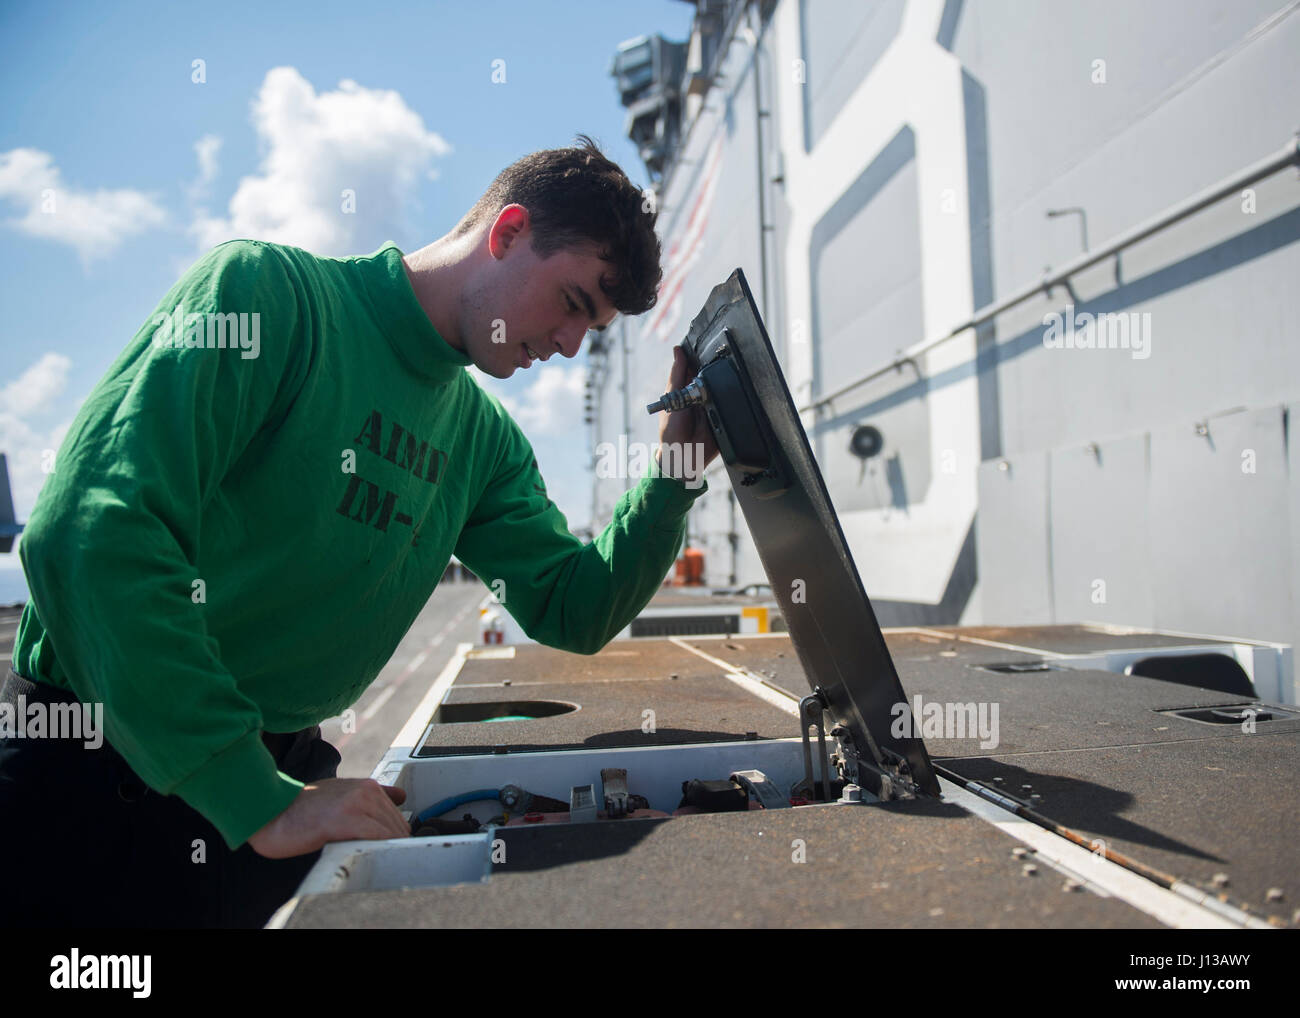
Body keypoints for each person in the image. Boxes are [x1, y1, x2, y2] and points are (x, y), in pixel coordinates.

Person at [0, 134, 718, 928]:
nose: (570, 344)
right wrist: (247, 792)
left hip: (284, 781)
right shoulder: (267, 298)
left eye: (594, 330)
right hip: (98, 768)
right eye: (574, 302)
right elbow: (87, 531)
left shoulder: (483, 442)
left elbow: (572, 608)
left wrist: (675, 474)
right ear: (508, 232)